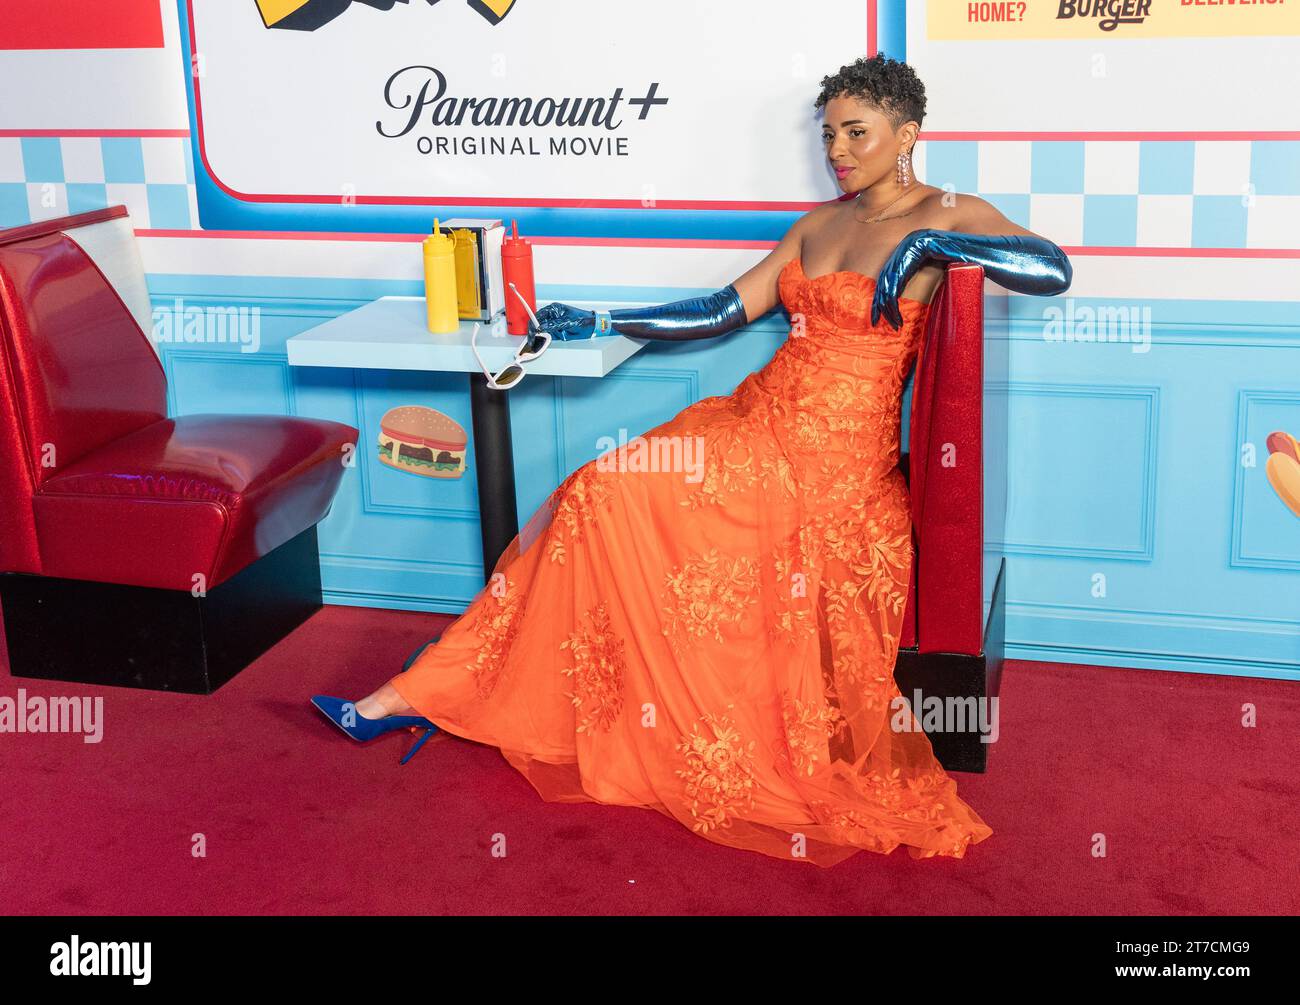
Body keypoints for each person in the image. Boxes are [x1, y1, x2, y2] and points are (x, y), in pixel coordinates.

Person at [312, 54, 1071, 866]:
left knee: (617, 499)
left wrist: (929, 239)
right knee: (598, 489)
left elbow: (1052, 268)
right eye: (828, 136)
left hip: (835, 468)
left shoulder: (949, 211)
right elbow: (721, 308)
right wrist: (606, 319)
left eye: (857, 133)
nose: (839, 152)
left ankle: (447, 688)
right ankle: (442, 686)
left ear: (908, 134)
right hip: (757, 419)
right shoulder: (818, 225)